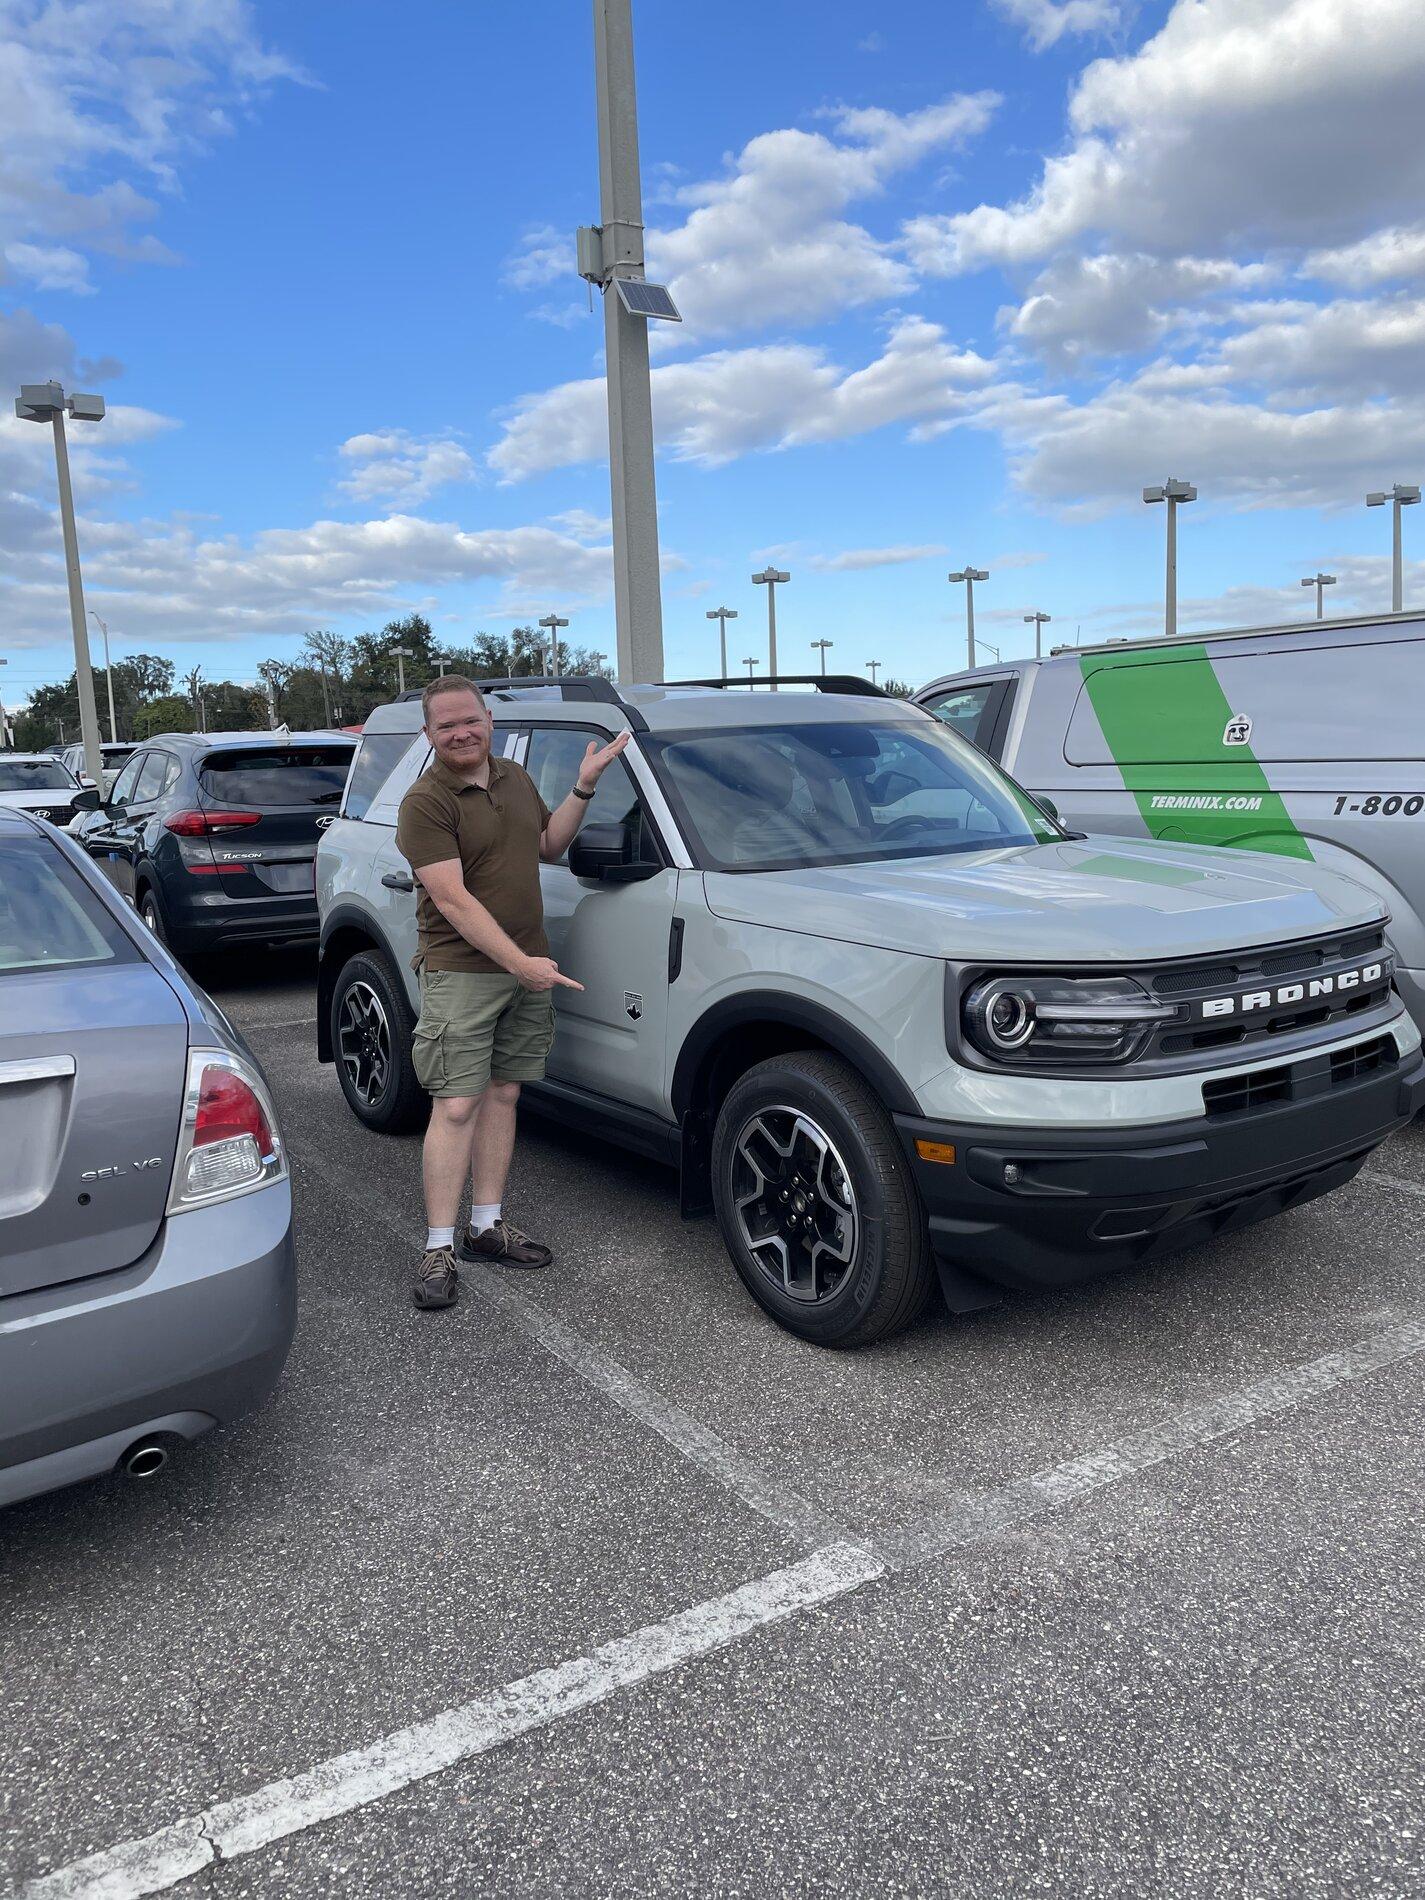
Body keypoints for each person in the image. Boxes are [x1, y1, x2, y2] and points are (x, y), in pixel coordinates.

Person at [395, 674, 629, 1309]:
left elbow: (550, 845)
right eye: (447, 726)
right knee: (457, 1106)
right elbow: (453, 901)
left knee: (503, 1094)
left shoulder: (516, 781)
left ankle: (485, 1228)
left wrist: (585, 784)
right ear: (429, 734)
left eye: (470, 720)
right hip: (463, 974)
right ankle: (438, 1247)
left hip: (525, 967)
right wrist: (522, 964)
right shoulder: (425, 803)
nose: (462, 732)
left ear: (489, 721)